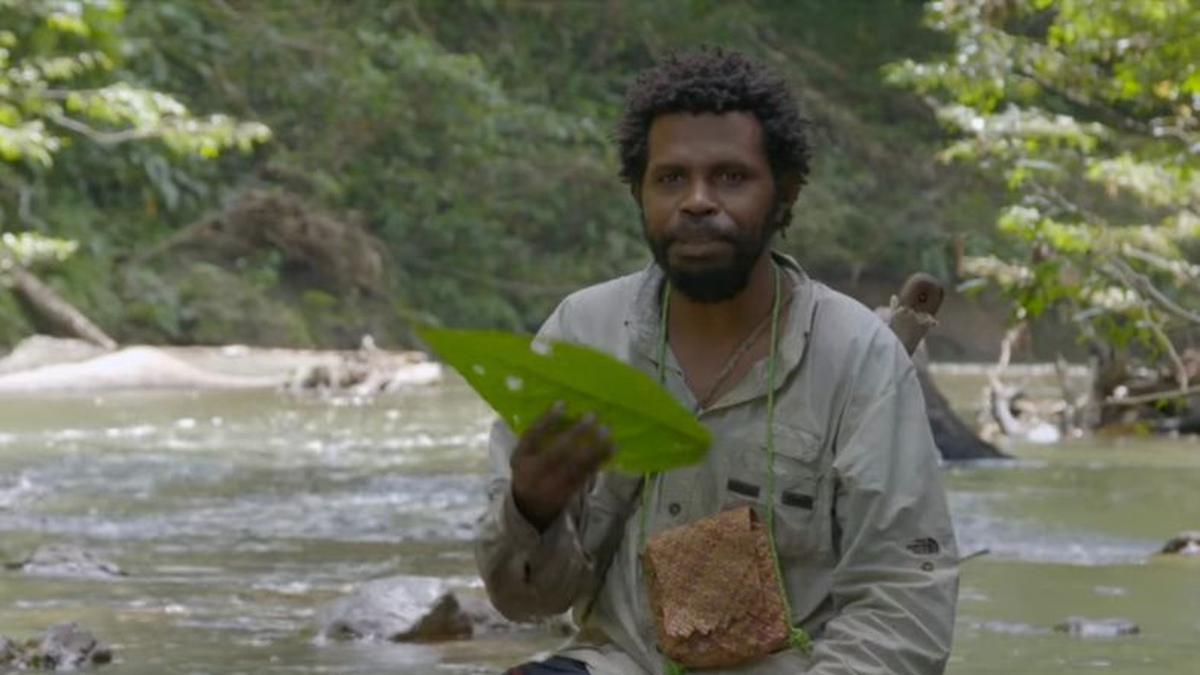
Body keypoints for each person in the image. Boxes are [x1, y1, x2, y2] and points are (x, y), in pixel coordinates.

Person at [476, 47, 958, 675]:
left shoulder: (858, 358)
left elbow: (904, 604)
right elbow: (525, 602)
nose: (697, 201)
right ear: (638, 192)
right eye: (671, 178)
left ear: (784, 195)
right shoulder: (581, 335)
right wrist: (532, 509)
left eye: (731, 177)